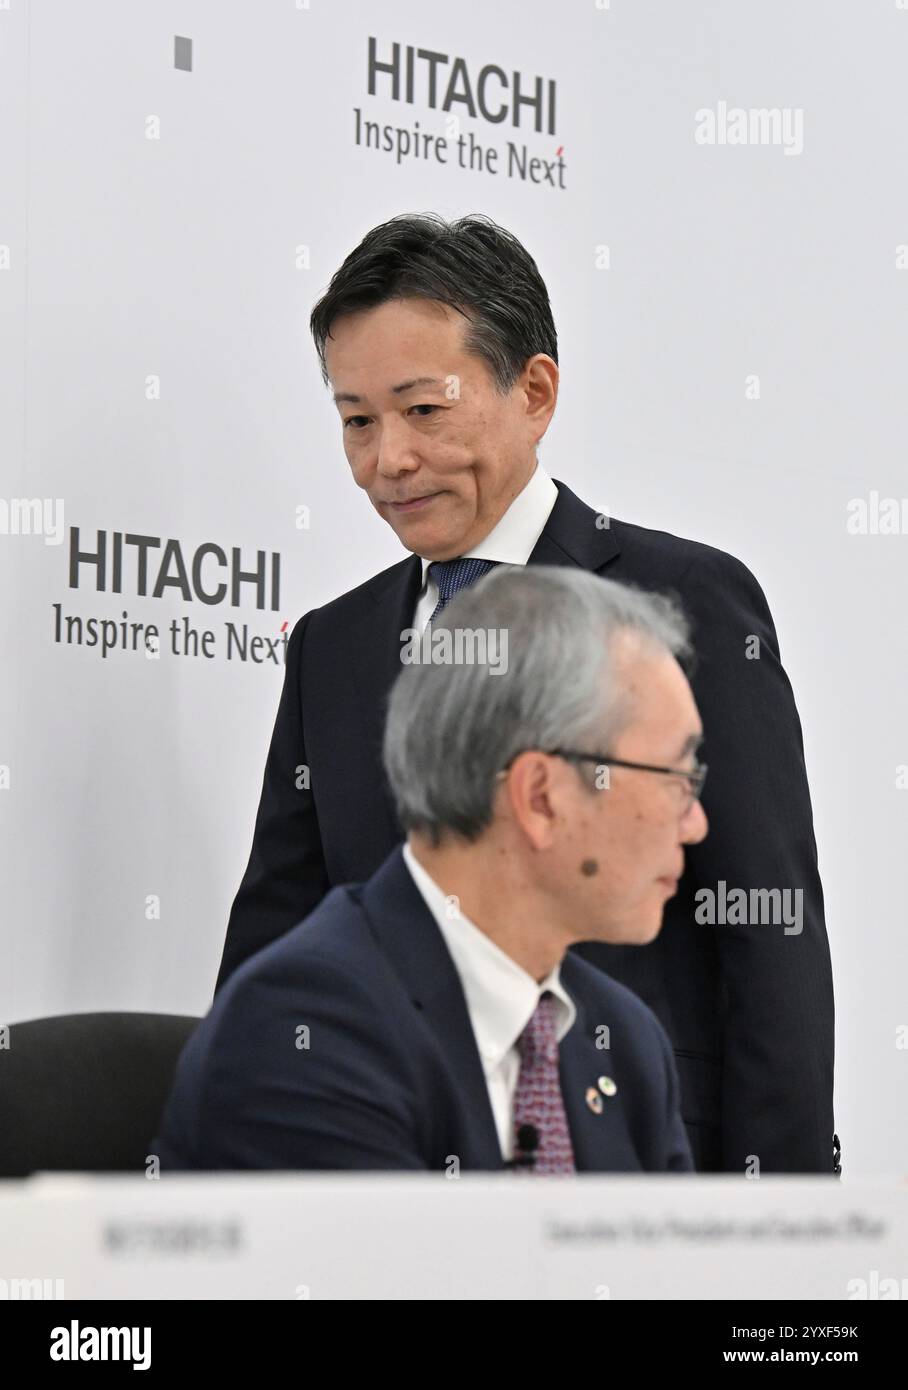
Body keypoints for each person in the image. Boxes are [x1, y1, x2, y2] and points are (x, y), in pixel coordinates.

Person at [214, 213, 836, 1174]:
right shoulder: (331, 650)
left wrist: (777, 1234)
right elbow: (275, 940)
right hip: (383, 1189)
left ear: (534, 392)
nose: (388, 461)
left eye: (424, 411)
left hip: (639, 1186)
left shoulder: (686, 604)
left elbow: (768, 935)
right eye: (356, 420)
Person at [155, 567, 705, 1173]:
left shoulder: (621, 1041)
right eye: (677, 779)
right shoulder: (304, 1030)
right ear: (541, 796)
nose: (696, 823)